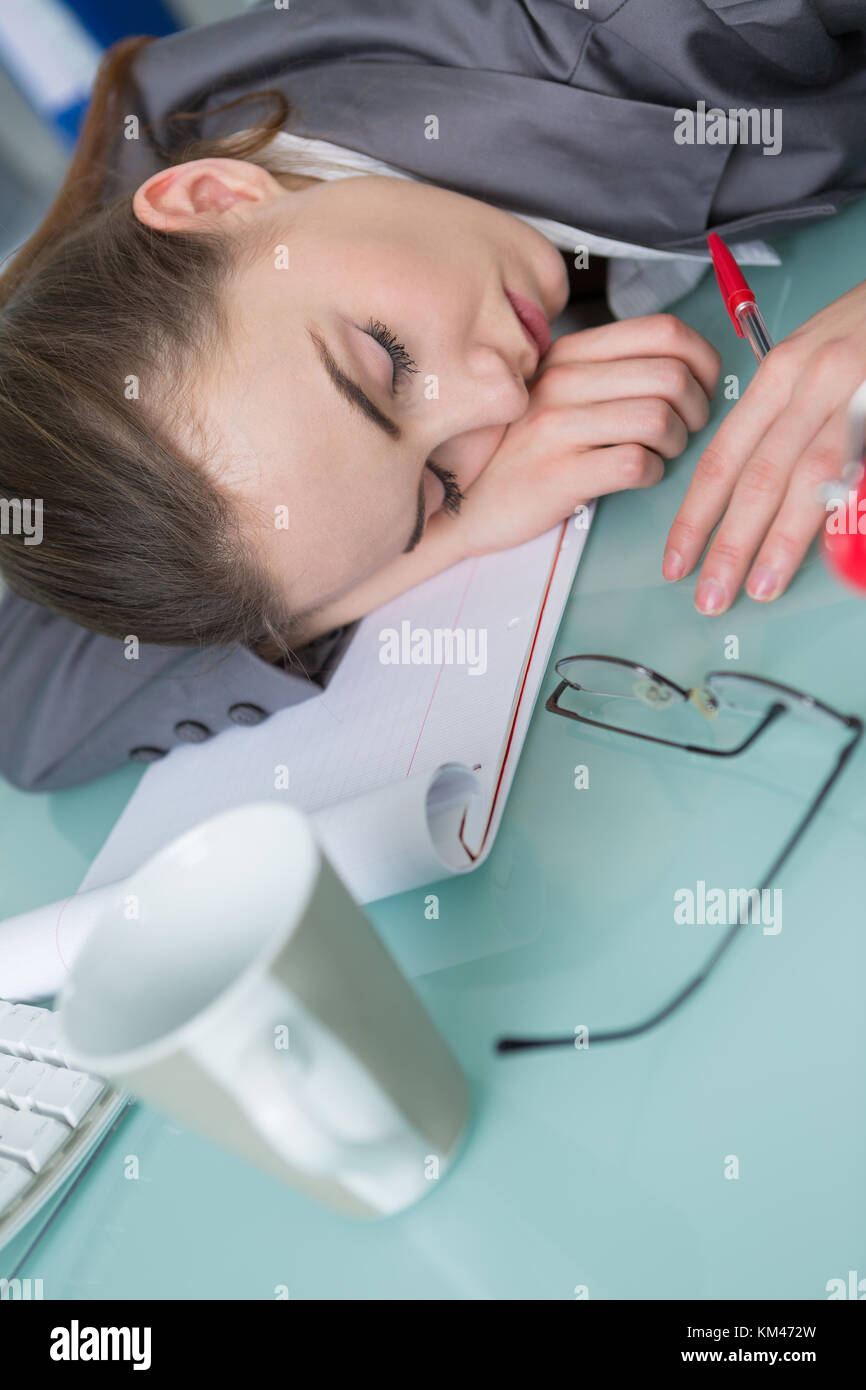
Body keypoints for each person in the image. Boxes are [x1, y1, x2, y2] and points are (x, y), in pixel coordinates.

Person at [1, 0, 865, 790]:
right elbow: (25, 714)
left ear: (215, 197)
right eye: (437, 481)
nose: (497, 399)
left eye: (385, 364)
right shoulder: (125, 326)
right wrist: (451, 532)